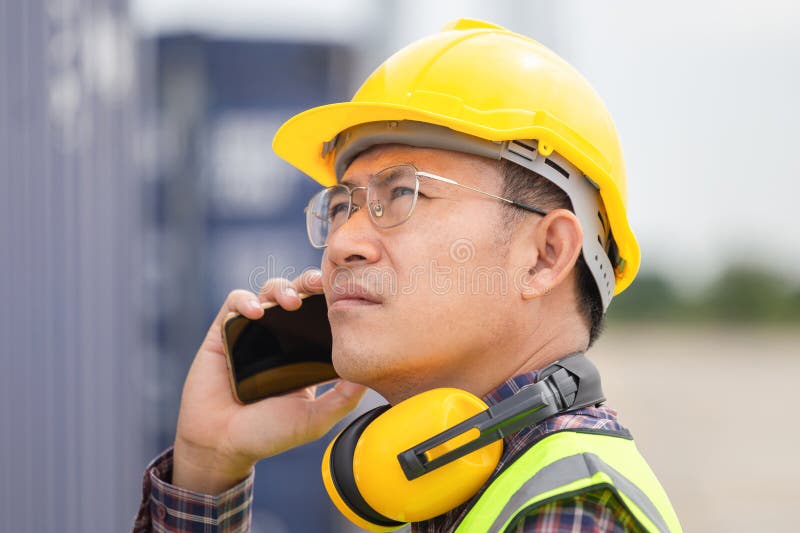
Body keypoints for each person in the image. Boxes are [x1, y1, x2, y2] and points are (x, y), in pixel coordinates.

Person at [134, 18, 682, 533]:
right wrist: (207, 465)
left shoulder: (571, 511)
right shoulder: (434, 478)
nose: (343, 242)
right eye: (342, 205)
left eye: (402, 194)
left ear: (544, 255)